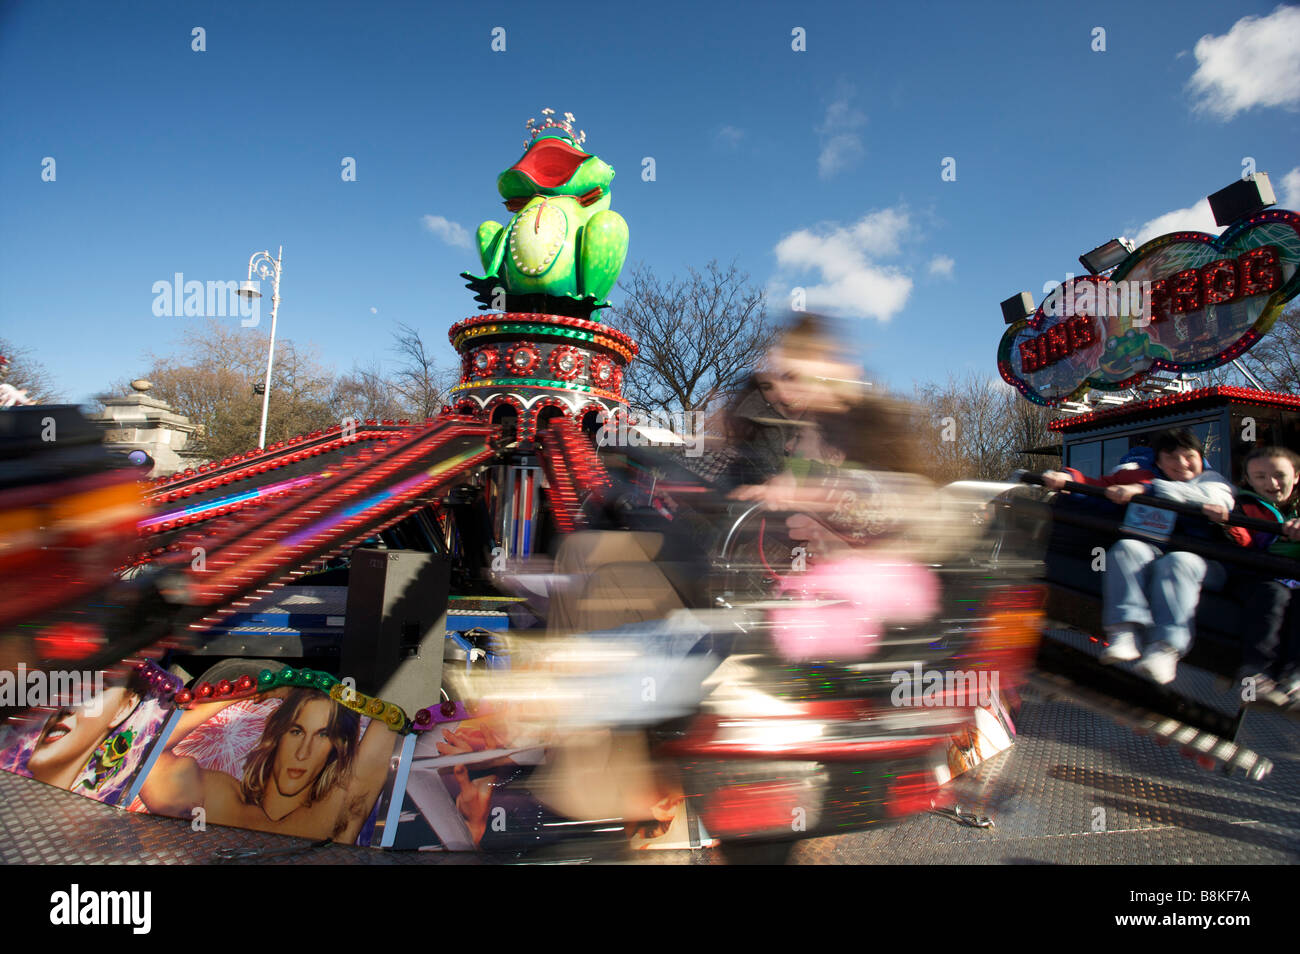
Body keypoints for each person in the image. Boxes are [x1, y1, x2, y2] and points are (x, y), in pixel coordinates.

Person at [1041, 429, 1235, 685]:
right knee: (1127, 548)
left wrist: (1146, 490)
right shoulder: (1144, 479)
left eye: (1188, 456)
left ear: (1201, 457)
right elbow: (1099, 487)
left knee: (1177, 563)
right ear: (1159, 461)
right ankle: (1125, 631)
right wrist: (1068, 479)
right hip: (1157, 556)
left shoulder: (1213, 481)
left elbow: (1212, 500)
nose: (1181, 464)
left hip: (1204, 563)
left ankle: (1165, 648)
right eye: (1171, 458)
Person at [140, 686, 394, 842]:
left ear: (333, 750)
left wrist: (308, 687)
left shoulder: (333, 815)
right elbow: (143, 752)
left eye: (322, 735)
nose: (304, 753)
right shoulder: (217, 798)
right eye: (296, 731)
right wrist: (252, 688)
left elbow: (392, 719)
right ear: (275, 736)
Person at [1210, 445, 1300, 705]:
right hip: (1260, 576)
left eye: (1280, 475)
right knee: (1273, 595)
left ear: (1295, 476)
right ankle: (1257, 671)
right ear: (1248, 480)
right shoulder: (1244, 507)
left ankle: (1294, 675)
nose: (1271, 483)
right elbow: (1238, 541)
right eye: (1260, 477)